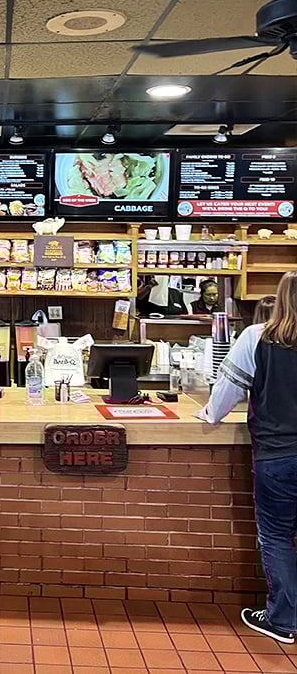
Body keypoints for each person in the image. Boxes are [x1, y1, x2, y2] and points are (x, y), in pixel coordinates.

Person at [199, 270, 297, 643]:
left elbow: (228, 388)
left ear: (282, 296)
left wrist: (211, 414)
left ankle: (283, 619)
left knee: (276, 535)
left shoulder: (257, 337)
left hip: (276, 453)